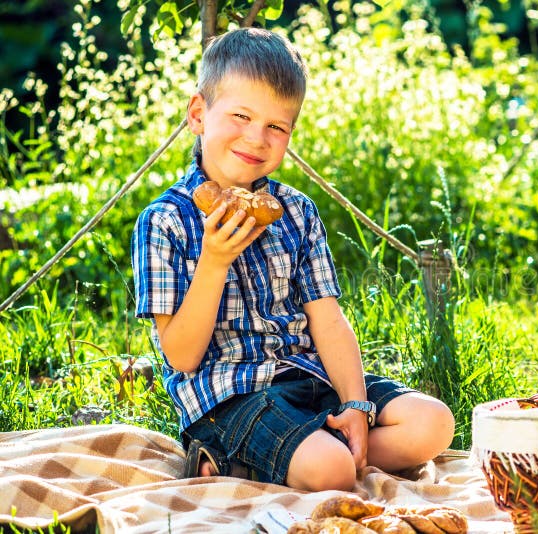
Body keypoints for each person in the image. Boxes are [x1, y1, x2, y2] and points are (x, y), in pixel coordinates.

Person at [131, 27, 455, 491]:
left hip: (309, 378)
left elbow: (328, 320)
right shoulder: (164, 222)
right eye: (240, 116)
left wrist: (357, 407)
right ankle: (251, 456)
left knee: (433, 424)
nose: (256, 138)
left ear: (291, 132)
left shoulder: (297, 211)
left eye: (275, 126)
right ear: (199, 113)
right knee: (333, 471)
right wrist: (215, 261)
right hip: (232, 399)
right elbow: (181, 356)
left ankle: (293, 455)